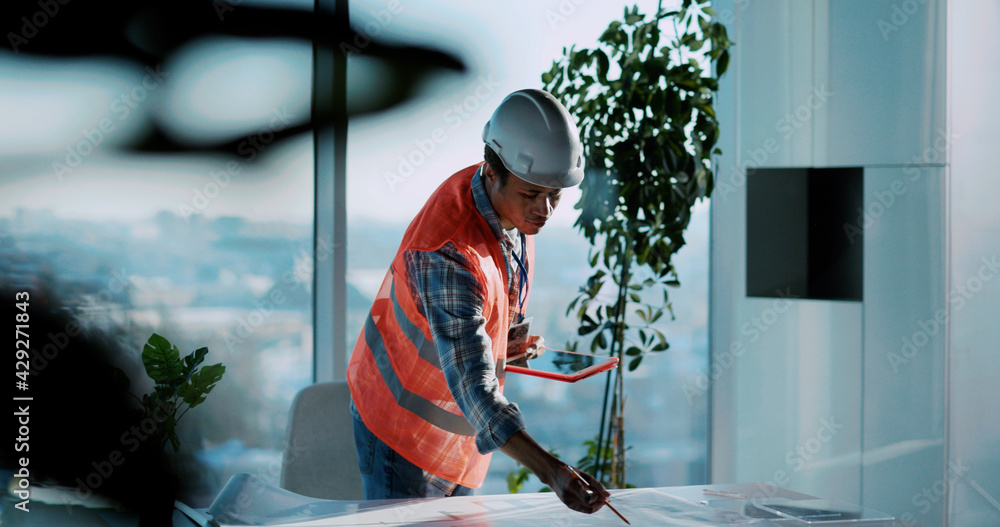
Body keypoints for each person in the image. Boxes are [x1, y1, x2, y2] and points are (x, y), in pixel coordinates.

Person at [345, 88, 610, 514]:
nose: (545, 209)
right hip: (403, 432)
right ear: (492, 171)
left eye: (554, 194)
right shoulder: (446, 252)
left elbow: (483, 311)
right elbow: (473, 385)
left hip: (462, 433)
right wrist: (552, 472)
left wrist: (507, 341)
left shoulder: (508, 205)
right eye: (531, 195)